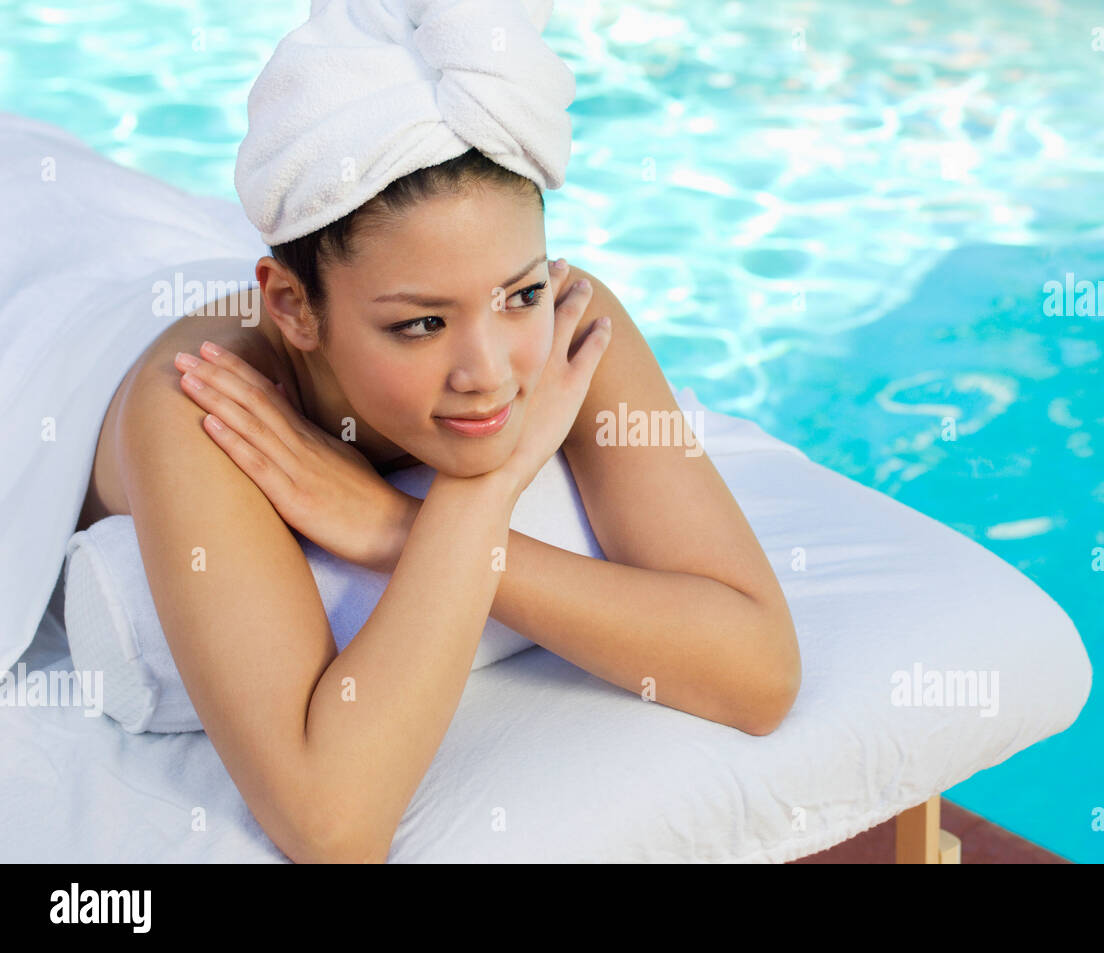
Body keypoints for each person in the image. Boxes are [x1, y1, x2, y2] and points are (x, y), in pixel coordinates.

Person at [74, 2, 801, 864]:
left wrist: (404, 525)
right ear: (292, 308)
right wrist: (491, 483)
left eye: (519, 292)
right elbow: (332, 826)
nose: (489, 372)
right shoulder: (206, 401)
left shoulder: (565, 324)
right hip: (61, 302)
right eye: (422, 325)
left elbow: (759, 675)